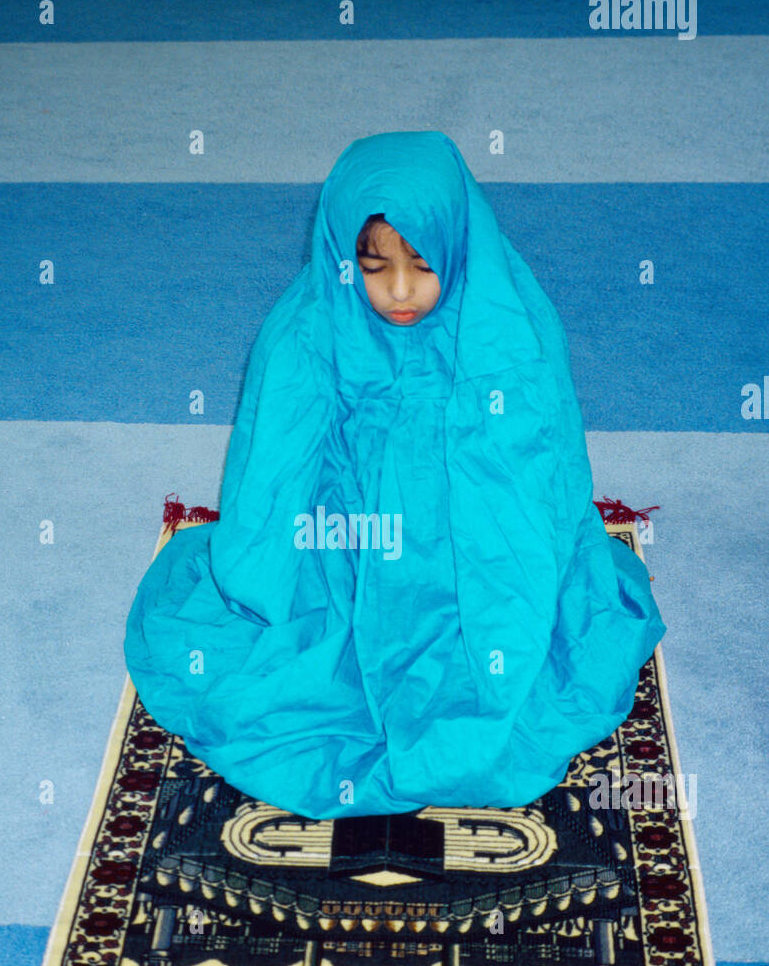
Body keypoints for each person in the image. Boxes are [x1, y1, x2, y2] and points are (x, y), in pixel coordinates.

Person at [124, 130, 665, 821]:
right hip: (343, 545)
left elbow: (537, 484)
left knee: (500, 681)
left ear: (460, 248)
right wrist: (266, 586)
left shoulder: (508, 328)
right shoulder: (308, 327)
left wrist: (508, 600)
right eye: (374, 268)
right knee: (295, 669)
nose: (400, 293)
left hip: (470, 546)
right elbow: (272, 475)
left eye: (423, 264)